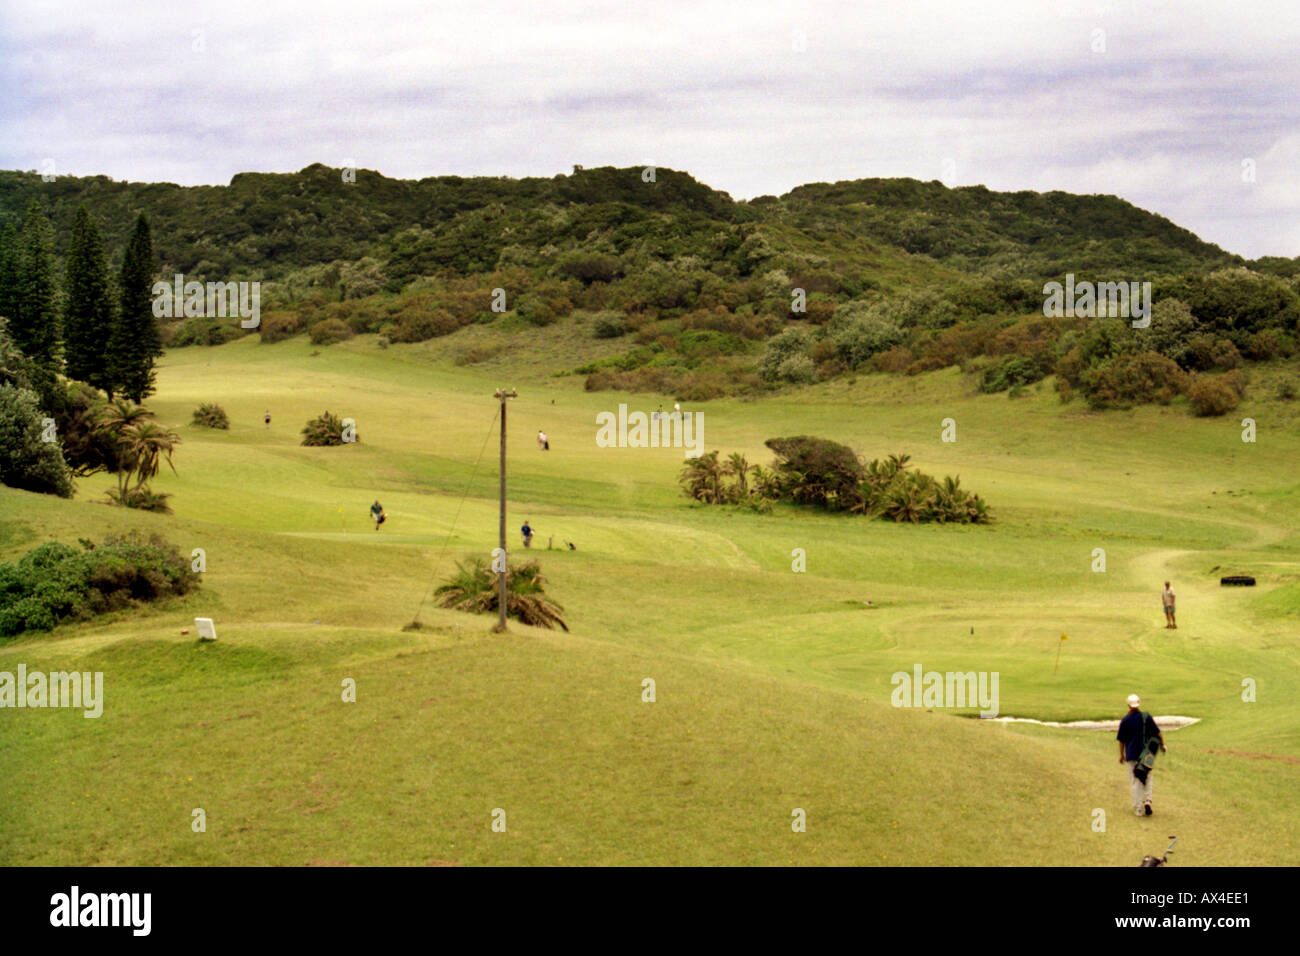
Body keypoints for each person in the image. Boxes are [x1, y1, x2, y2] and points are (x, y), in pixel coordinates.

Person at [1117, 694, 1165, 817]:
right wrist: (1163, 745)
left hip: (1132, 754)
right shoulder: (1146, 717)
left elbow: (1121, 741)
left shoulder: (1125, 720)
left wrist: (1121, 755)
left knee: (1135, 781)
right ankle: (1148, 800)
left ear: (1128, 705)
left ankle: (1138, 808)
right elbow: (1158, 733)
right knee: (1148, 776)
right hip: (1146, 754)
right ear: (1139, 703)